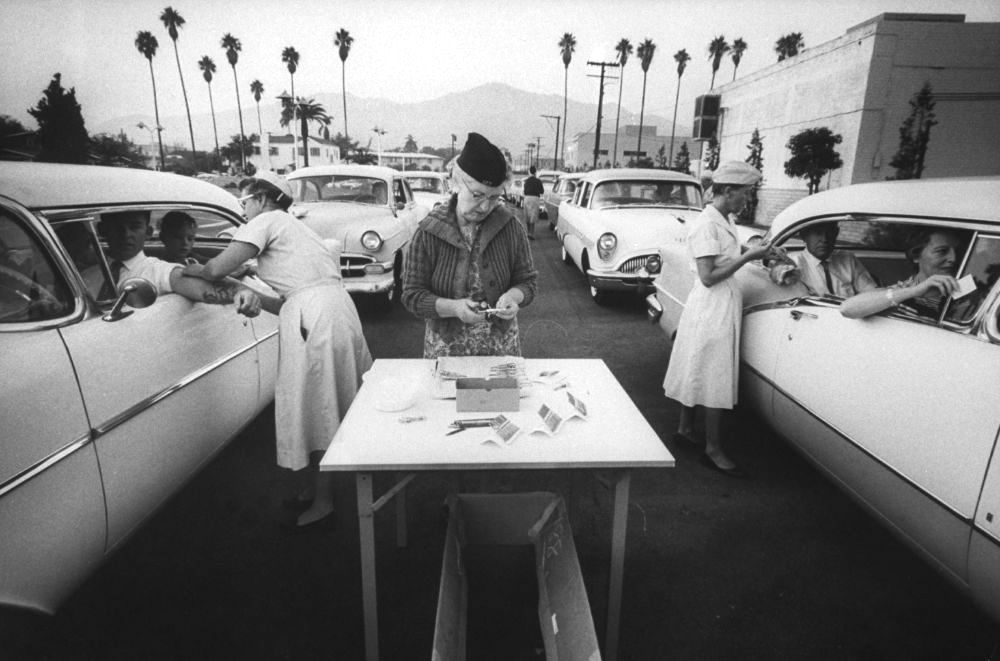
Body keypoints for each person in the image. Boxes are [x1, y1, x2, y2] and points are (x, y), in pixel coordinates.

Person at [182, 170, 372, 531]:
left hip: (314, 317)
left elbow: (215, 266)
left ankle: (324, 499)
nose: (245, 209)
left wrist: (196, 269)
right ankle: (317, 489)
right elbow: (283, 303)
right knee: (325, 401)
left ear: (261, 198)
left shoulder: (268, 220)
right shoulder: (297, 230)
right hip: (332, 310)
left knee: (319, 405)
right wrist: (239, 281)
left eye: (245, 202)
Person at [661, 161, 772, 478]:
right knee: (714, 373)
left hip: (717, 304)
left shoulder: (725, 219)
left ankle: (685, 429)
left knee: (697, 364)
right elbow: (709, 276)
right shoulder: (706, 224)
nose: (747, 199)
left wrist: (750, 251)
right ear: (727, 191)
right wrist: (748, 257)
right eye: (745, 193)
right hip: (713, 304)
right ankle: (713, 449)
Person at [402, 132, 538, 358]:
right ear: (455, 183)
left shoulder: (511, 228)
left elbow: (528, 282)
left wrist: (514, 297)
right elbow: (412, 295)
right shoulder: (428, 232)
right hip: (446, 351)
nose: (485, 206)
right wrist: (453, 308)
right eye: (477, 195)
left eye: (494, 197)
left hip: (500, 349)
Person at [98, 209, 261, 313]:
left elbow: (184, 280)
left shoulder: (156, 269)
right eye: (117, 227)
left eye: (134, 227)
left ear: (148, 232)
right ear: (102, 231)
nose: (126, 234)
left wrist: (239, 292)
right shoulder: (88, 268)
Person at [841, 227, 964, 319]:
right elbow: (847, 308)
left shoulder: (965, 288)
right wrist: (915, 290)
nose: (953, 259)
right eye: (942, 251)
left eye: (958, 252)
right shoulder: (901, 291)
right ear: (916, 256)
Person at [794, 221, 878, 297]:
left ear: (836, 234)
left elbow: (870, 292)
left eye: (829, 233)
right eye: (818, 233)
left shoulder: (848, 259)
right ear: (804, 236)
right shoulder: (794, 265)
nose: (824, 239)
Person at [521, 165, 544, 239]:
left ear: (529, 172)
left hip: (527, 198)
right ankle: (532, 233)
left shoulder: (526, 181)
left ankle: (528, 232)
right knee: (533, 216)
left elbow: (524, 191)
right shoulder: (538, 181)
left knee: (527, 215)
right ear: (535, 172)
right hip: (535, 198)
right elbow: (542, 191)